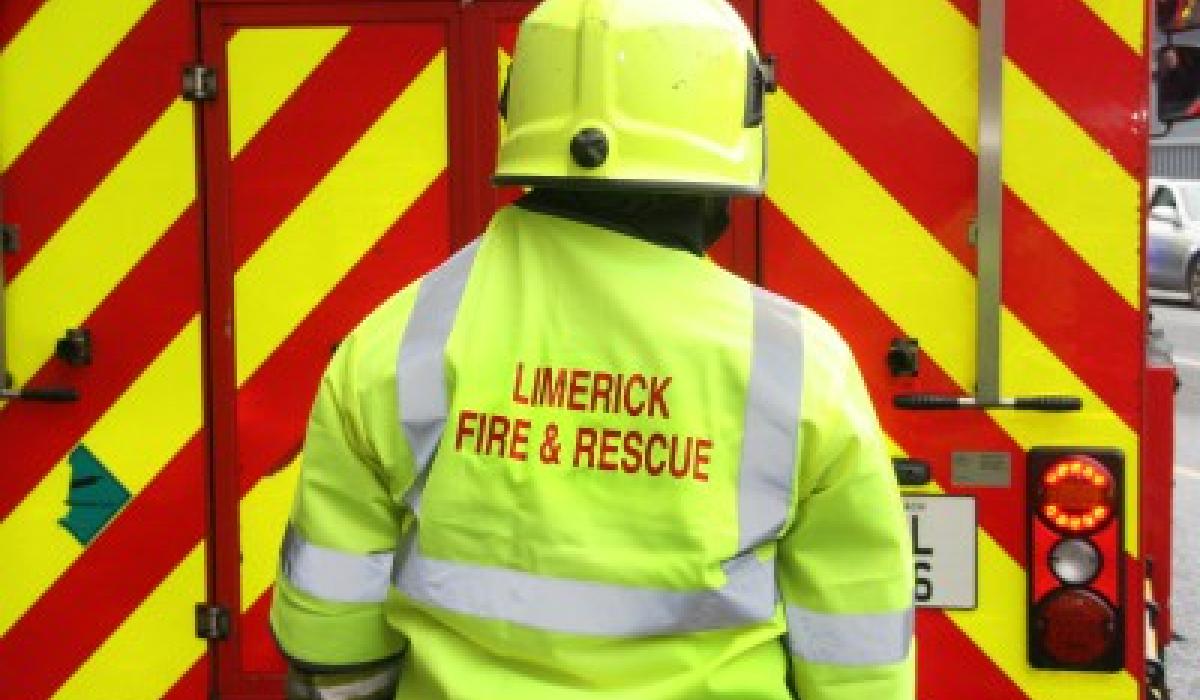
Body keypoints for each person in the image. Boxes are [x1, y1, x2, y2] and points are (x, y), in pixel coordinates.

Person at [270, 1, 915, 698]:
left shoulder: (395, 342)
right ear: (735, 130)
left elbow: (329, 636)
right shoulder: (798, 367)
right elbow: (857, 653)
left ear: (521, 112)